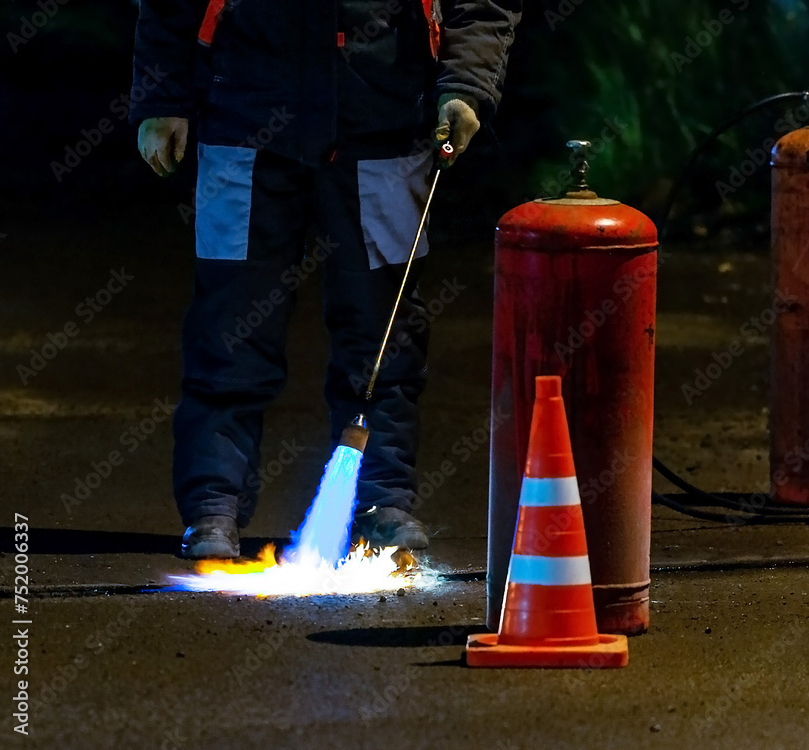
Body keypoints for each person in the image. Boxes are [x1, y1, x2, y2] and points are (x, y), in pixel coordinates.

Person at [130, 0, 521, 559]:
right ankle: (213, 506)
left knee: (384, 331)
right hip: (245, 115)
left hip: (385, 122)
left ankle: (382, 503)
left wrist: (467, 84)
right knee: (229, 330)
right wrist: (161, 96)